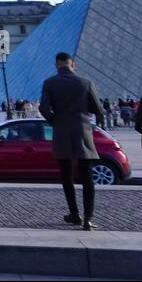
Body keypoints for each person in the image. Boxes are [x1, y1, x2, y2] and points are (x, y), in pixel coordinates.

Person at [39, 52, 103, 230]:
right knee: (87, 176)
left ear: (56, 65)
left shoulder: (49, 83)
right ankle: (88, 218)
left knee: (66, 176)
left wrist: (56, 121)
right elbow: (98, 108)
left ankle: (74, 214)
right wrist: (83, 110)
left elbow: (43, 108)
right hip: (82, 131)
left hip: (62, 131)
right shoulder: (85, 82)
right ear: (72, 64)